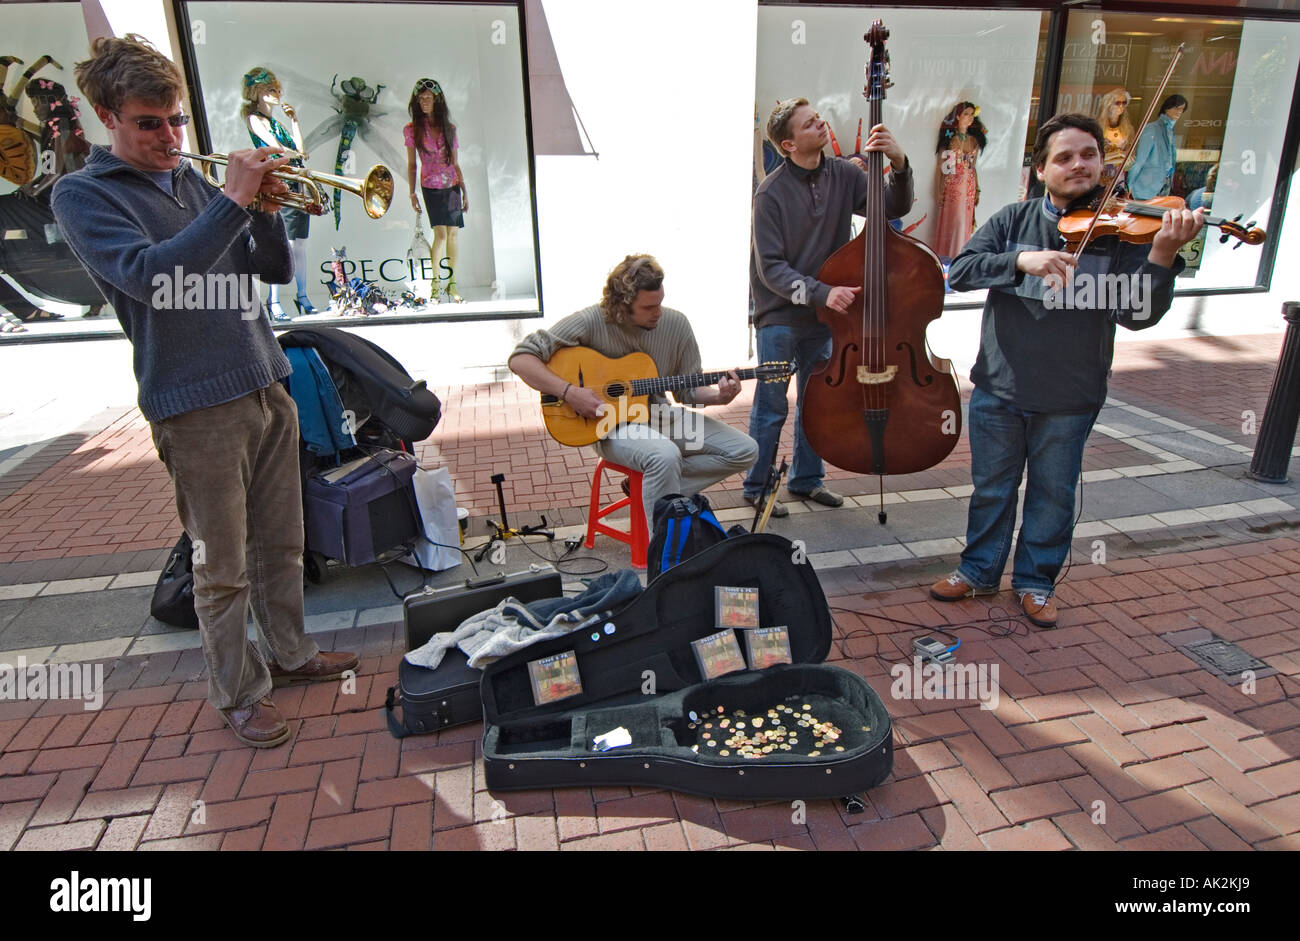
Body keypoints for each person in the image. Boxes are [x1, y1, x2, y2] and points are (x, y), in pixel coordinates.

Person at [50, 35, 357, 748]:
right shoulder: (82, 194)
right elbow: (154, 279)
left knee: (282, 541)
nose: (170, 137)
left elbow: (270, 272)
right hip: (192, 401)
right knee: (220, 563)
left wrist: (267, 210)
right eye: (149, 123)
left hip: (263, 375)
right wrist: (232, 200)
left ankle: (291, 653)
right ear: (107, 117)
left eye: (177, 121)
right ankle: (238, 691)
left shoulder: (193, 180)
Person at [929, 113, 1203, 627]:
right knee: (991, 487)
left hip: (1072, 394)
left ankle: (1035, 581)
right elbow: (959, 271)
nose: (1079, 164)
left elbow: (1136, 315)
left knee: (1053, 493)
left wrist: (1162, 255)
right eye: (1065, 157)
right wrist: (1020, 261)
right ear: (1040, 169)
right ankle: (979, 570)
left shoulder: (1124, 232)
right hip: (1000, 387)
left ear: (1102, 162)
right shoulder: (1013, 220)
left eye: (1089, 154)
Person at [746, 97, 914, 517]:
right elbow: (772, 270)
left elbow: (892, 208)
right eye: (809, 124)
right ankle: (757, 487)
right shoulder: (770, 194)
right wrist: (822, 292)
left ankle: (806, 480)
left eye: (818, 118)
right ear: (789, 145)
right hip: (780, 316)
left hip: (826, 316)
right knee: (771, 405)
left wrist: (900, 163)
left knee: (817, 400)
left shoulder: (844, 174)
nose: (820, 125)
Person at [508, 254, 757, 527]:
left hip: (661, 417)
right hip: (609, 424)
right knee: (664, 456)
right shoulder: (591, 321)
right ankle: (664, 553)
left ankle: (656, 486)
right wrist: (569, 392)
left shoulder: (676, 325)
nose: (658, 312)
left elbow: (688, 392)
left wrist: (719, 396)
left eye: (660, 302)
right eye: (649, 307)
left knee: (744, 450)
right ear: (623, 305)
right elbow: (521, 359)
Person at [241, 66, 316, 318]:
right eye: (271, 89)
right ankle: (274, 303)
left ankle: (302, 296)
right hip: (278, 181)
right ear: (259, 92)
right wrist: (292, 153)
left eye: (277, 89)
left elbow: (300, 151)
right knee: (284, 244)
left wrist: (294, 120)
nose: (277, 93)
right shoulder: (255, 119)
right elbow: (277, 150)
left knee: (300, 244)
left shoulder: (277, 123)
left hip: (295, 179)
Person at [404, 78, 466, 303]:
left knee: (454, 234)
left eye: (428, 98)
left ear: (437, 99)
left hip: (452, 185)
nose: (424, 102)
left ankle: (453, 285)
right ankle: (435, 285)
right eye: (421, 99)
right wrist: (412, 192)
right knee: (440, 235)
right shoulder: (412, 130)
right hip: (430, 185)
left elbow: (456, 163)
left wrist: (464, 190)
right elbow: (412, 164)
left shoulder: (450, 129)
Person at [932, 101, 986, 260]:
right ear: (957, 116)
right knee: (955, 221)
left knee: (966, 221)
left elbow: (973, 167)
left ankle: (961, 257)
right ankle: (948, 257)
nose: (970, 118)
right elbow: (944, 166)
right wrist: (940, 188)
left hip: (969, 184)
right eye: (966, 114)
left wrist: (977, 188)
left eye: (971, 115)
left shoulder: (973, 141)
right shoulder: (951, 139)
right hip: (954, 184)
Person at [1126, 94, 1186, 200]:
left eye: (1182, 109)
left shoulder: (1171, 130)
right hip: (1145, 186)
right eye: (1177, 108)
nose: (1179, 112)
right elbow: (1140, 159)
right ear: (1167, 107)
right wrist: (1129, 185)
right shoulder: (1152, 128)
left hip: (1164, 185)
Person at [1095, 88, 1134, 191]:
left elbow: (1130, 151)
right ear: (1109, 104)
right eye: (1117, 103)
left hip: (1119, 172)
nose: (1121, 106)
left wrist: (1128, 156)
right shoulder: (1097, 126)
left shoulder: (1128, 129)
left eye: (1124, 103)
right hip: (1101, 172)